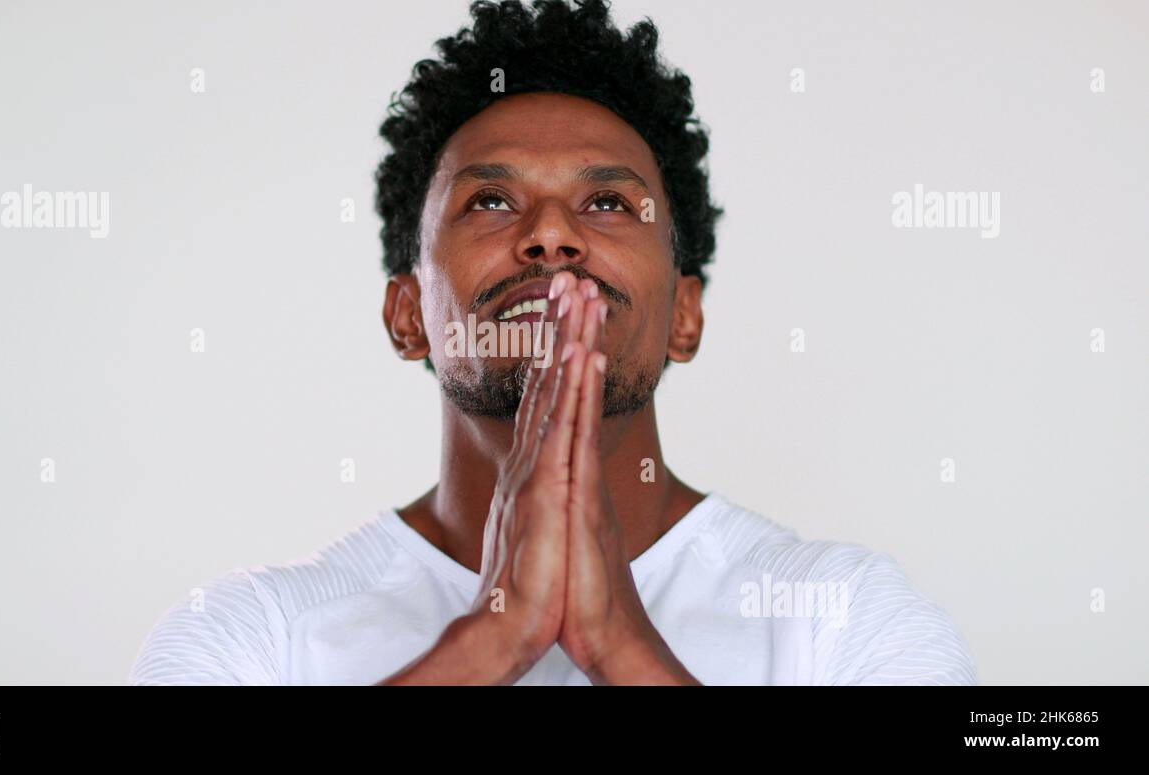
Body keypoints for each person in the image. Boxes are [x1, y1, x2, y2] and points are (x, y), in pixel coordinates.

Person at [130, 0, 976, 685]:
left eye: (608, 203)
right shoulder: (249, 637)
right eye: (490, 201)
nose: (549, 237)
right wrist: (491, 641)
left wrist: (619, 645)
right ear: (408, 313)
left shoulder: (848, 617)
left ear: (686, 315)